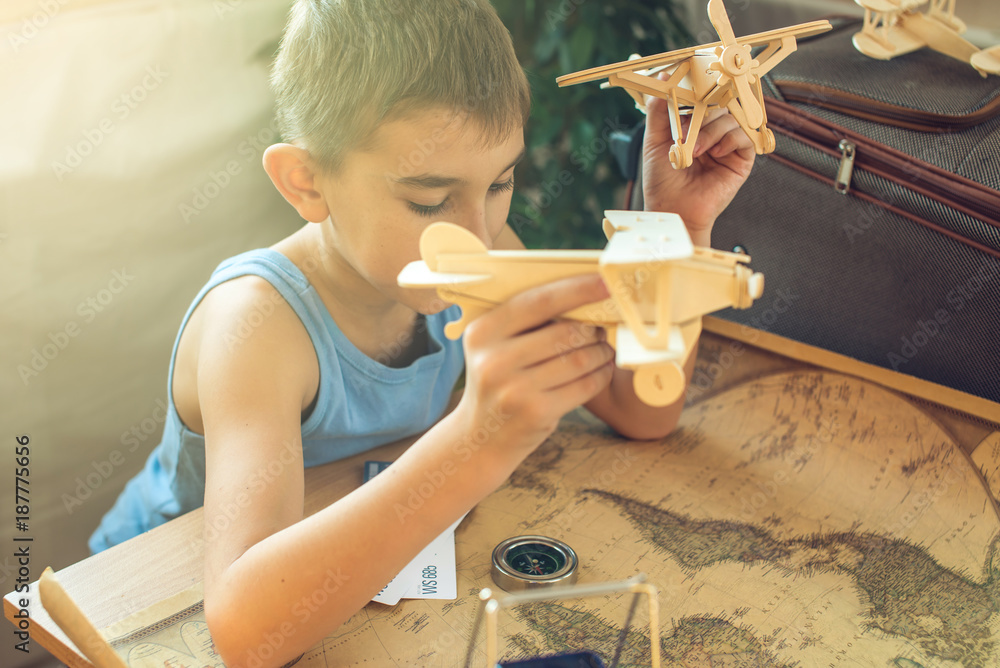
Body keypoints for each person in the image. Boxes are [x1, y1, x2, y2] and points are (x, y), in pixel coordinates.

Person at [89, 1, 755, 666]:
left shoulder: (479, 250)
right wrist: (480, 440)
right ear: (306, 182)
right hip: (139, 606)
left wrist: (678, 229)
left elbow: (641, 412)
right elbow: (244, 631)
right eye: (430, 202)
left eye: (500, 184)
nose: (479, 235)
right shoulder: (256, 325)